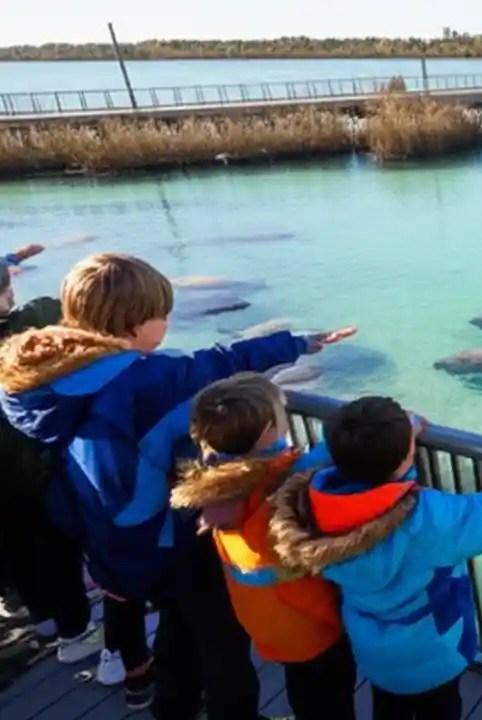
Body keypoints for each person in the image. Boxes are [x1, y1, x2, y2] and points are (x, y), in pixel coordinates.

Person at [0, 252, 355, 720]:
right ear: (130, 325)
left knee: (177, 631)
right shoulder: (144, 381)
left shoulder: (52, 380)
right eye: (160, 316)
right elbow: (215, 365)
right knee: (220, 643)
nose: (166, 324)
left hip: (110, 543)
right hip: (169, 543)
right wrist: (296, 345)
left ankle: (172, 708)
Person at [270, 396, 482, 720]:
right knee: (441, 708)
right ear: (406, 457)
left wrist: (397, 434)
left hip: (372, 650)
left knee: (388, 707)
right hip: (433, 651)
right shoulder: (422, 519)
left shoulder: (309, 508)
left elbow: (321, 461)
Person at [171, 373, 356, 720]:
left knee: (302, 688)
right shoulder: (281, 479)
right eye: (282, 412)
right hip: (313, 624)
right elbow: (318, 460)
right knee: (332, 697)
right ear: (268, 432)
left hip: (269, 623)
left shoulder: (218, 483)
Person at [0, 246, 102, 664]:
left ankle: (41, 617)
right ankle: (75, 634)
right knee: (55, 550)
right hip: (35, 470)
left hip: (6, 487)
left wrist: (10, 258)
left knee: (16, 545)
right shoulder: (33, 321)